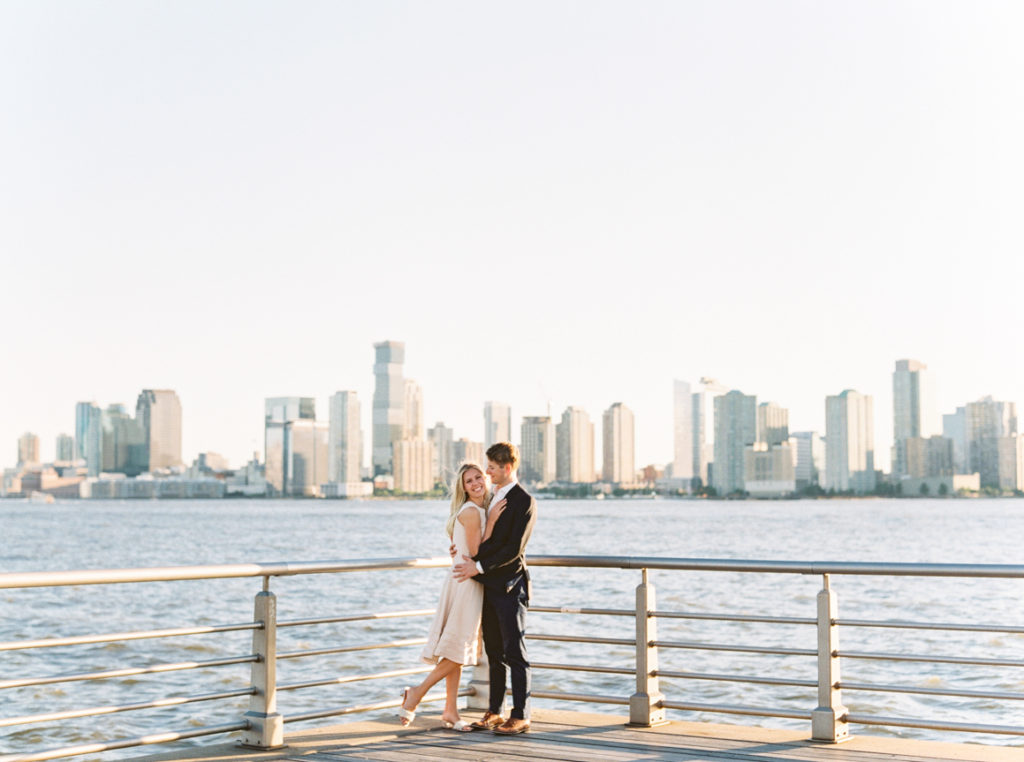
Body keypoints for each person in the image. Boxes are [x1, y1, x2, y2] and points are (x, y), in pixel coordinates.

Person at [397, 462, 507, 731]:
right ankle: (417, 693)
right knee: (458, 650)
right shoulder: (472, 512)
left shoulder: (476, 509)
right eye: (469, 481)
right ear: (463, 488)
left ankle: (450, 711)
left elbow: (466, 549)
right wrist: (492, 521)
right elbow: (478, 552)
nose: (475, 483)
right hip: (467, 584)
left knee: (455, 646)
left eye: (478, 477)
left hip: (464, 581)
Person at [453, 442, 537, 735]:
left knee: (515, 651)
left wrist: (476, 567)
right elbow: (479, 537)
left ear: (507, 468)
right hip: (488, 585)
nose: (486, 472)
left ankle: (521, 714)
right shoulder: (490, 498)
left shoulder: (524, 501)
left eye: (491, 467)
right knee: (493, 651)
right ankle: (495, 711)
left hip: (511, 585)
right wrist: (459, 548)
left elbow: (513, 549)